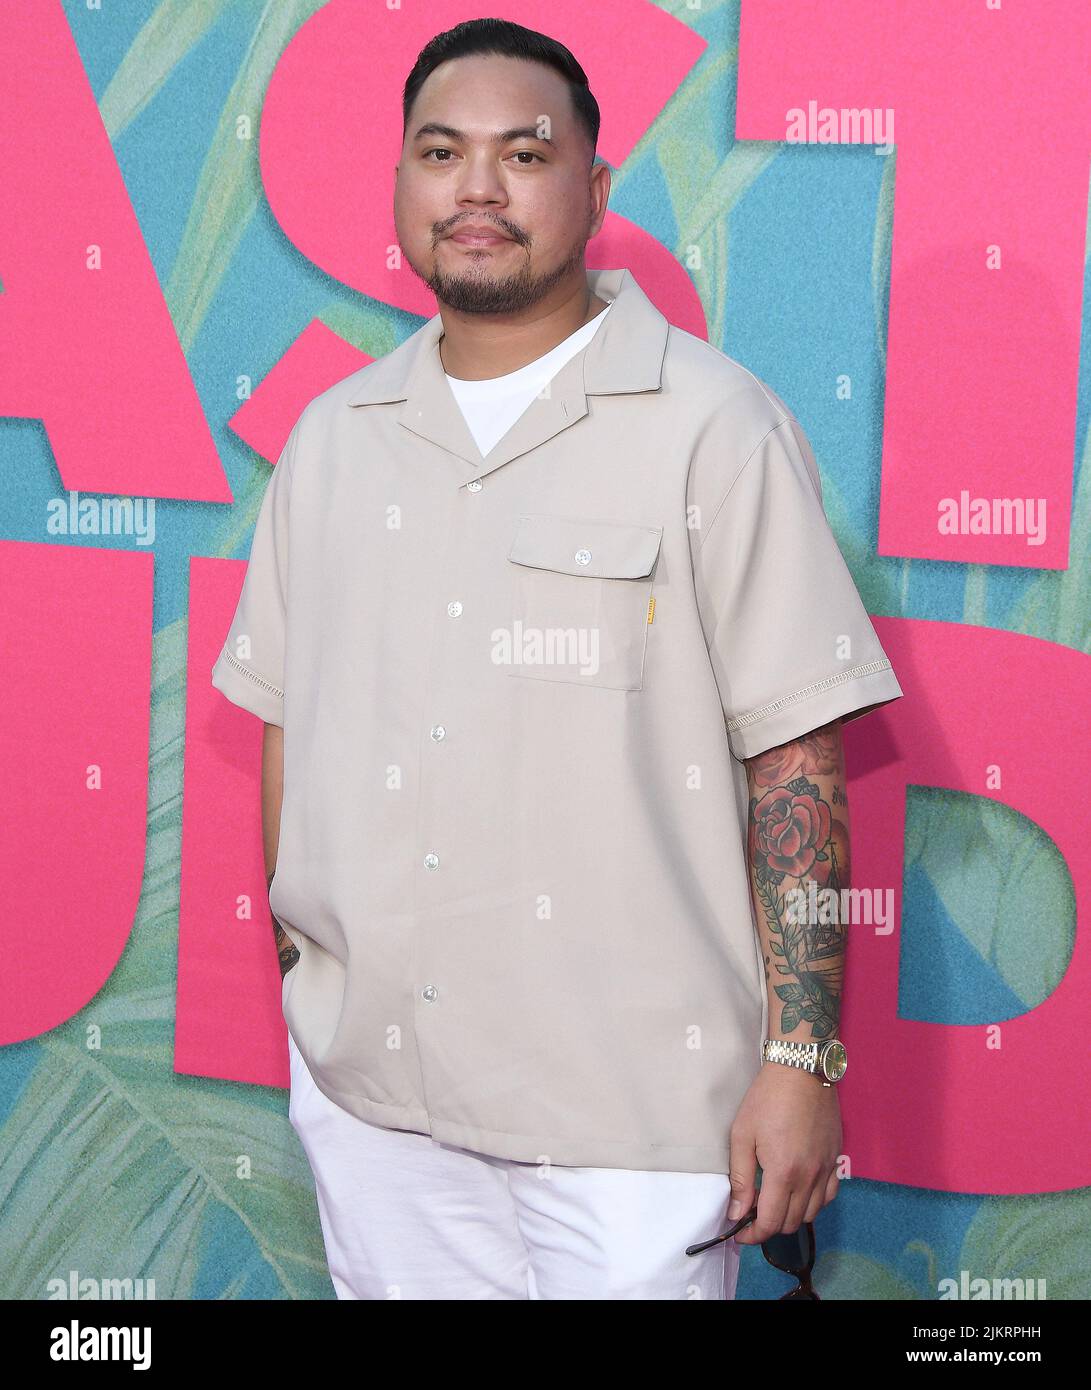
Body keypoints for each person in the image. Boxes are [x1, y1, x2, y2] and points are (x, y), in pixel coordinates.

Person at [211, 17, 904, 1300]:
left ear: (591, 190)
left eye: (521, 154)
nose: (475, 187)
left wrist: (802, 1061)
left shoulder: (714, 428)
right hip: (376, 1103)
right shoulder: (330, 441)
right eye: (439, 151)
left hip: (630, 1124)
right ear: (401, 183)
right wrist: (310, 969)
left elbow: (795, 758)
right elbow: (286, 723)